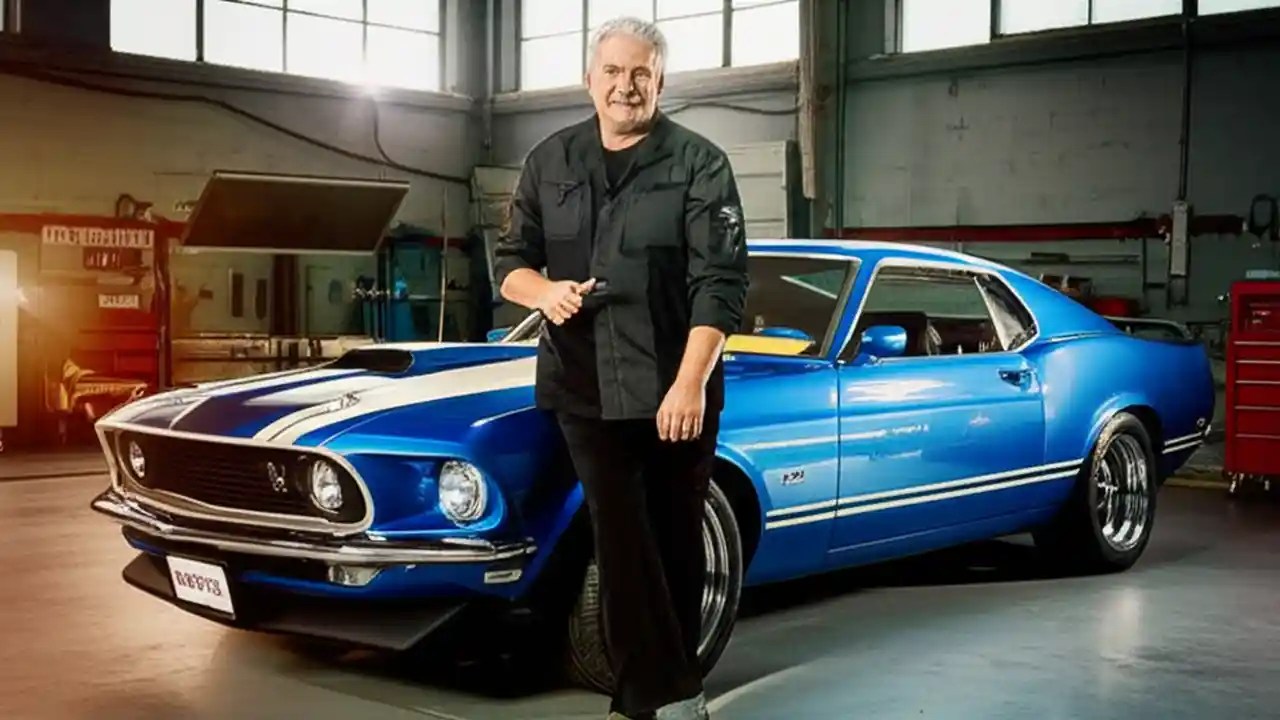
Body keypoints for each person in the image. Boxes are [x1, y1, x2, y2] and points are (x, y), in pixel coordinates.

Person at [492, 15, 749, 720]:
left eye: (640, 72)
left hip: (676, 386)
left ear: (660, 80)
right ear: (589, 80)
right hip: (584, 388)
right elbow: (510, 263)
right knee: (621, 539)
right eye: (612, 71)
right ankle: (658, 699)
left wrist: (691, 382)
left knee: (673, 541)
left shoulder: (701, 164)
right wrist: (544, 293)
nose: (625, 86)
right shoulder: (551, 160)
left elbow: (719, 285)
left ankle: (665, 689)